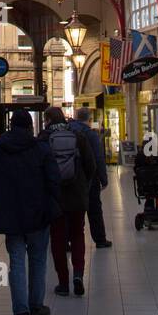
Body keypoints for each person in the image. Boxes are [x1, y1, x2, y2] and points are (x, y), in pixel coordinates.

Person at [0, 106, 60, 315]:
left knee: (16, 261)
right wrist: (52, 205)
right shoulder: (41, 149)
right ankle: (36, 307)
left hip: (10, 215)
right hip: (38, 214)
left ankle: (21, 313)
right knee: (38, 259)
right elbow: (53, 181)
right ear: (30, 127)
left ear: (10, 125)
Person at [40, 106, 96, 298]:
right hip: (77, 194)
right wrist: (83, 185)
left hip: (55, 197)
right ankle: (78, 274)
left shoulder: (45, 138)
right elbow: (91, 165)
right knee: (78, 235)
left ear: (47, 119)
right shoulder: (78, 135)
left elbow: (39, 168)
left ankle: (63, 282)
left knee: (57, 239)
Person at [71, 107, 111, 248]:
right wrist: (103, 179)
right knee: (94, 208)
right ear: (89, 119)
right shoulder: (91, 134)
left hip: (70, 176)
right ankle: (100, 239)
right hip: (89, 177)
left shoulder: (68, 130)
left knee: (72, 209)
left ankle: (69, 240)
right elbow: (99, 158)